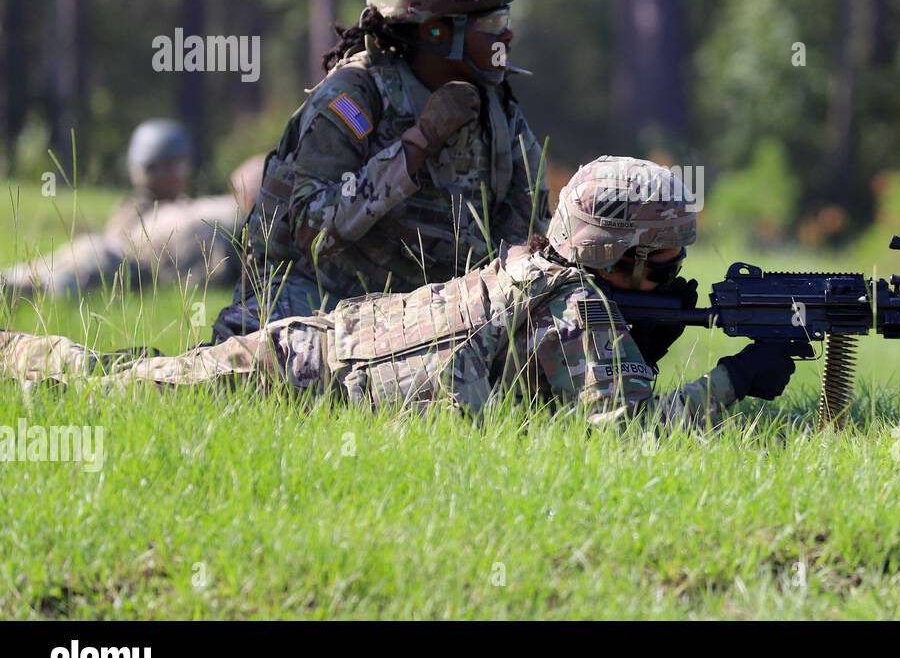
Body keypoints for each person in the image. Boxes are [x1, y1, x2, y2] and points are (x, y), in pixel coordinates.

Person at [0, 157, 807, 429]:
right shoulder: (574, 303)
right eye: (661, 265)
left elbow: (551, 395)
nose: (669, 279)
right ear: (617, 256)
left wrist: (639, 344)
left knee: (124, 375)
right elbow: (628, 443)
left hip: (310, 356)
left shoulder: (544, 275)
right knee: (105, 391)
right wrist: (734, 381)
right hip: (294, 371)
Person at [210, 0, 549, 341]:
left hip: (427, 320)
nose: (506, 34)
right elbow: (313, 232)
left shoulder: (497, 112)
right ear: (436, 30)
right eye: (493, 20)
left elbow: (526, 236)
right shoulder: (356, 97)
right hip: (319, 306)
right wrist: (418, 145)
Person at [0, 120, 245, 298]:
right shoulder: (151, 211)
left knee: (41, 279)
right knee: (48, 280)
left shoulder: (170, 209)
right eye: (176, 166)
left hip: (108, 257)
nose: (183, 174)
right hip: (114, 261)